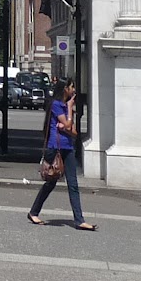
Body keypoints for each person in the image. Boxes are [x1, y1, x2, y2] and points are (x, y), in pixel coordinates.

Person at [28, 78, 95, 230]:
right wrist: (69, 112)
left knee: (73, 184)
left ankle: (79, 220)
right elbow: (67, 125)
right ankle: (34, 211)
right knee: (51, 181)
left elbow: (74, 131)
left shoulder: (64, 106)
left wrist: (66, 125)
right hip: (55, 147)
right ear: (65, 89)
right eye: (72, 87)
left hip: (68, 147)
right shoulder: (57, 105)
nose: (74, 90)